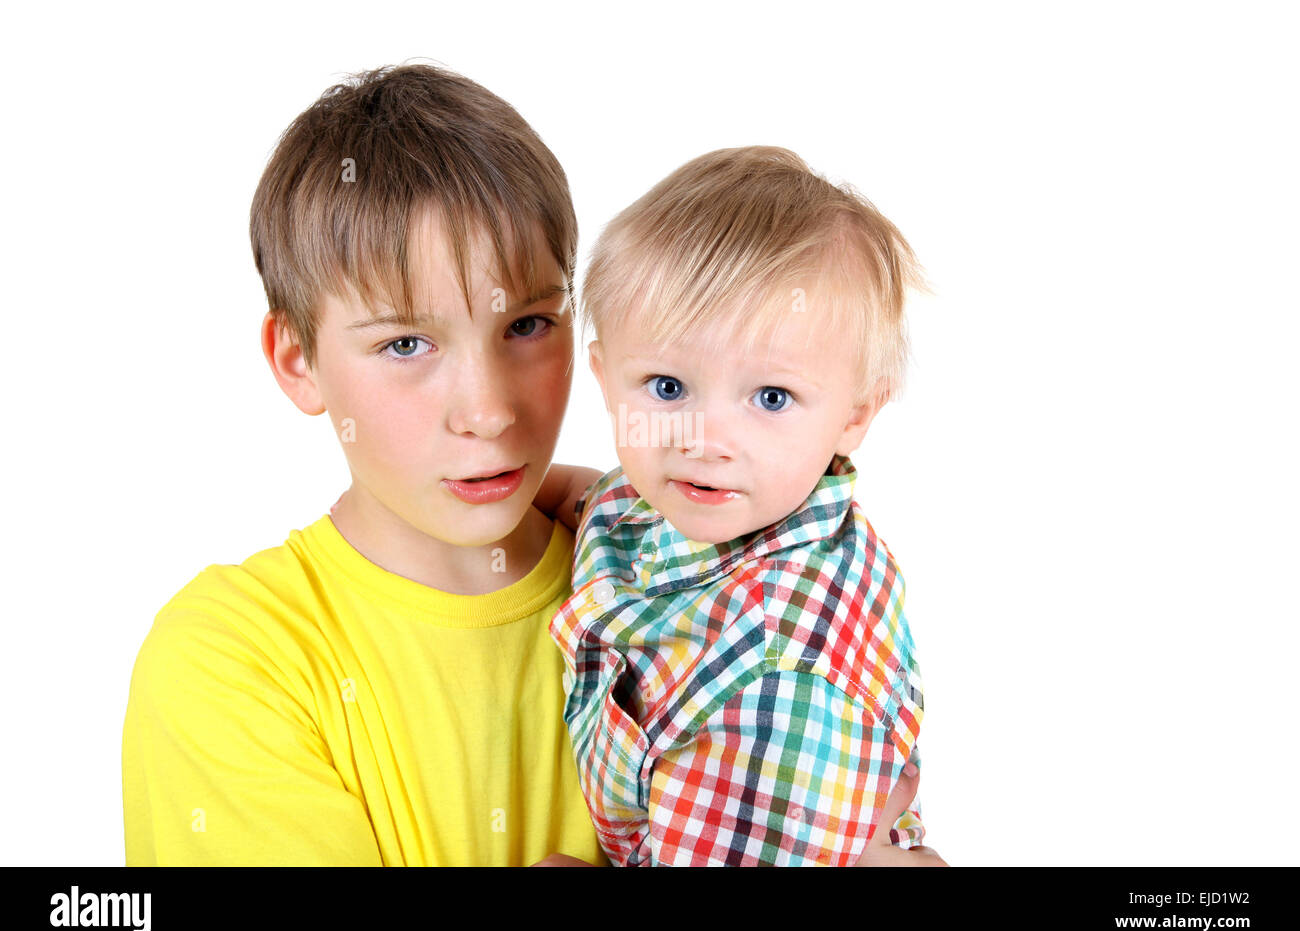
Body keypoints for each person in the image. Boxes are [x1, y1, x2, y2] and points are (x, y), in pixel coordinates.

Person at [121, 63, 606, 865]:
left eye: (527, 324)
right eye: (406, 344)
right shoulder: (233, 657)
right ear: (298, 361)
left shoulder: (670, 593)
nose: (488, 411)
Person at [550, 146, 938, 866]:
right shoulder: (680, 499)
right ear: (605, 379)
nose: (706, 440)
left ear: (855, 416)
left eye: (770, 398)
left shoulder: (781, 680)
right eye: (667, 387)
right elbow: (594, 499)